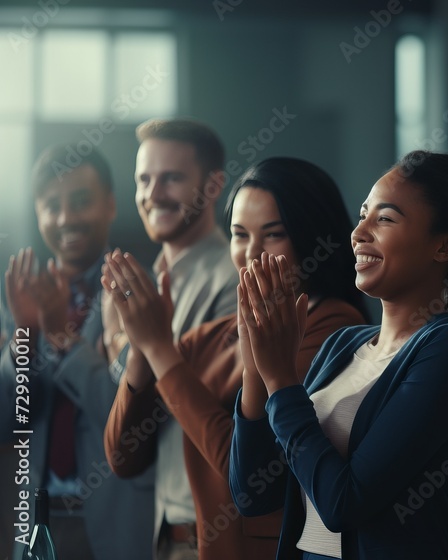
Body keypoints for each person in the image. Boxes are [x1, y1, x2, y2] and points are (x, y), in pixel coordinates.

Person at [229, 150, 448, 559]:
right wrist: (255, 367)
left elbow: (345, 502)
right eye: (362, 215)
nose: (358, 233)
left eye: (384, 219)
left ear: (444, 246)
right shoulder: (342, 344)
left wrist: (281, 379)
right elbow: (253, 494)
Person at [102, 158, 367, 559]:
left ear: (311, 237)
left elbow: (247, 472)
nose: (252, 253)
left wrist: (159, 348)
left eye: (273, 234)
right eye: (239, 235)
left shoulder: (333, 325)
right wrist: (142, 345)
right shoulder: (208, 337)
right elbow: (123, 457)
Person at [0, 146, 154, 560]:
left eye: (81, 201)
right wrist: (27, 335)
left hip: (117, 519)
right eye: (52, 206)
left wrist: (62, 339)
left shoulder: (140, 292)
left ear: (110, 204)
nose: (66, 218)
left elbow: (131, 422)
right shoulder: (22, 297)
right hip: (37, 522)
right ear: (38, 214)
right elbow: (8, 420)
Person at [103, 117, 240, 559]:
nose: (153, 194)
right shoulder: (151, 280)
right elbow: (128, 449)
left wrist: (121, 345)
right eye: (144, 179)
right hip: (166, 531)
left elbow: (201, 409)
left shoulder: (234, 278)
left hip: (208, 537)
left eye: (172, 179)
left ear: (213, 185)